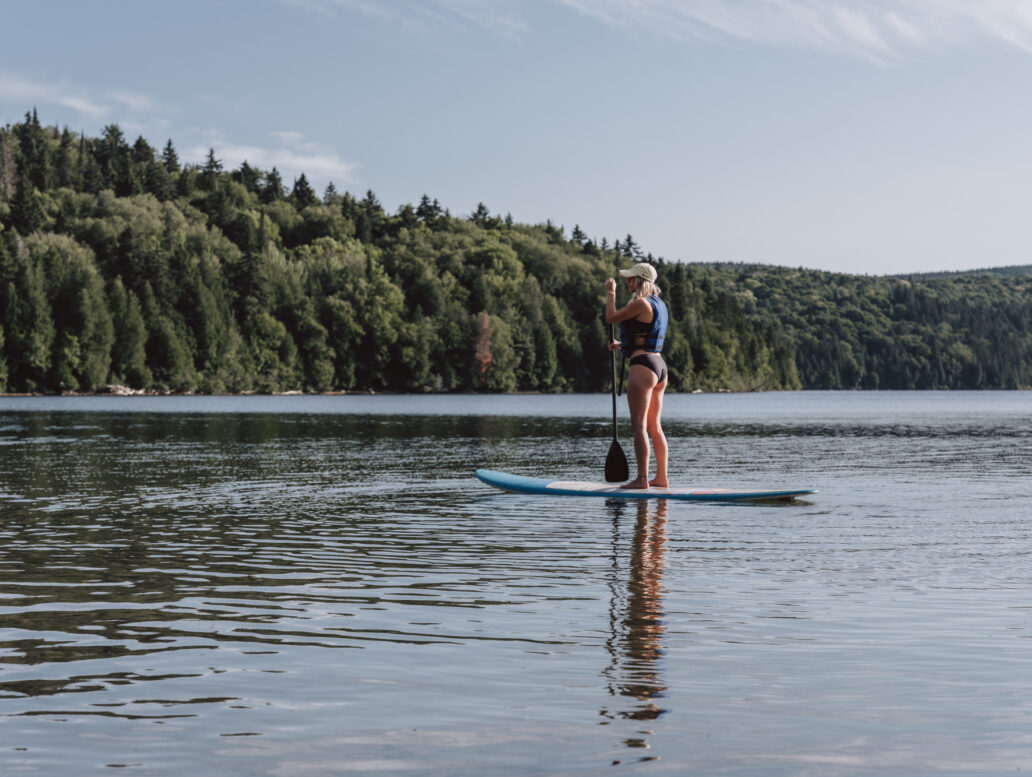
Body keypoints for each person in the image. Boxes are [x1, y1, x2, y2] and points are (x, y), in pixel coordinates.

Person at [605, 263, 669, 489]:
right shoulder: (659, 304)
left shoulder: (641, 302)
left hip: (642, 368)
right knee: (655, 427)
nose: (627, 282)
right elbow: (646, 336)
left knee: (639, 427)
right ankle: (661, 477)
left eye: (630, 279)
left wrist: (611, 293)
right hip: (659, 367)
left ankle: (642, 480)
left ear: (640, 281)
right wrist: (623, 345)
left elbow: (611, 317)